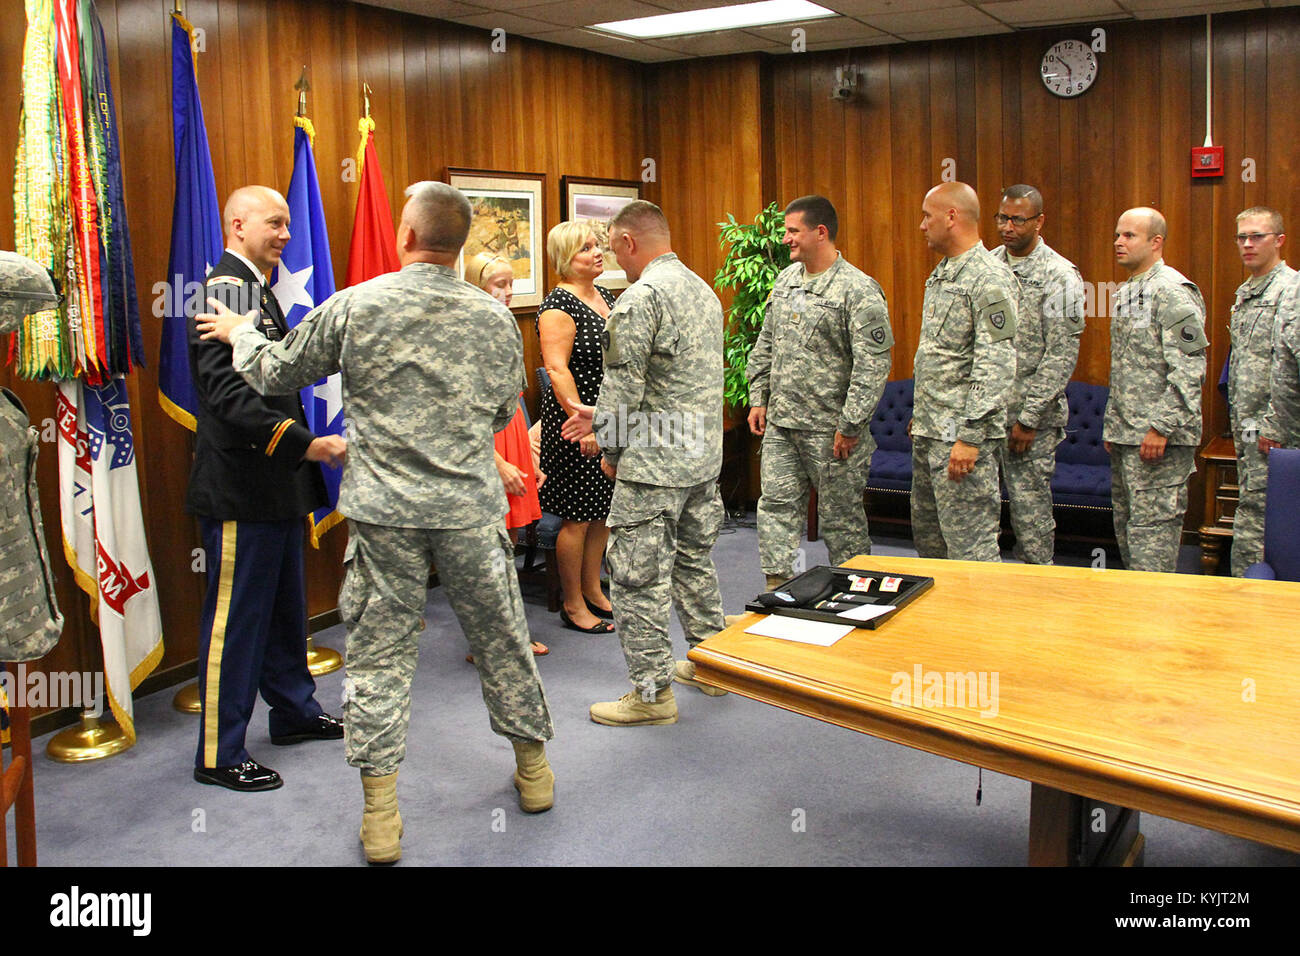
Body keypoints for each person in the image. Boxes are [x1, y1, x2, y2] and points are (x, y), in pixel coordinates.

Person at [196, 181, 555, 864]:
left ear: (407, 237)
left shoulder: (359, 304)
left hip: (384, 515)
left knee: (379, 661)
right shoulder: (493, 317)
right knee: (504, 640)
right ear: (459, 246)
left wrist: (243, 331)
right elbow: (502, 410)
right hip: (467, 511)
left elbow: (275, 374)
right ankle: (533, 772)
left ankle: (382, 814)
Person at [186, 186, 345, 794]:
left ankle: (295, 712)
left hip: (274, 486)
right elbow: (225, 399)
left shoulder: (253, 289)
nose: (284, 233)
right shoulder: (228, 290)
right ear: (236, 223)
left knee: (282, 611)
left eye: (286, 223)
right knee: (236, 620)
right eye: (272, 223)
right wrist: (304, 442)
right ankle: (219, 753)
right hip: (242, 489)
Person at [561, 200, 728, 725]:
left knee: (637, 579)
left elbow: (622, 390)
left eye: (613, 249)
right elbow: (678, 383)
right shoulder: (701, 290)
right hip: (701, 458)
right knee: (694, 563)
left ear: (630, 242)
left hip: (653, 467)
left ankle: (652, 696)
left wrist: (610, 449)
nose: (614, 262)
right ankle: (713, 665)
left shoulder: (641, 299)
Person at [746, 195, 893, 590]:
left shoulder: (858, 290)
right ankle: (778, 591)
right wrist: (758, 396)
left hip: (832, 434)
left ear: (820, 232)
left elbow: (873, 364)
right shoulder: (786, 280)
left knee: (842, 521)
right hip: (783, 425)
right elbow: (766, 342)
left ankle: (857, 597)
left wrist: (850, 424)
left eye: (793, 231)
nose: (786, 239)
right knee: (776, 510)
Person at [912, 181, 1019, 562]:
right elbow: (943, 357)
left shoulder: (989, 276)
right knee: (931, 545)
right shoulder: (943, 272)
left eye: (928, 216)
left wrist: (971, 436)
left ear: (951, 217)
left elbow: (996, 363)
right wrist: (920, 416)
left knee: (970, 552)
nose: (922, 225)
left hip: (961, 439)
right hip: (931, 433)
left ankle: (983, 622)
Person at [1104, 207, 1207, 573]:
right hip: (1130, 438)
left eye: (1129, 235)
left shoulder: (1172, 291)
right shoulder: (1129, 291)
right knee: (1132, 544)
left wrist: (1161, 426)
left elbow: (1191, 367)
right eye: (1118, 234)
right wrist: (1114, 426)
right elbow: (1130, 367)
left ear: (1156, 242)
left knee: (1152, 553)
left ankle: (1157, 627)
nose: (1118, 242)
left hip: (1159, 442)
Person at [990, 185, 1085, 565]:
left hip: (1031, 422)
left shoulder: (1060, 276)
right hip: (986, 416)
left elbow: (1061, 354)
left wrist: (1029, 418)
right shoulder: (988, 265)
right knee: (980, 516)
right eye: (1001, 218)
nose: (1007, 227)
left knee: (1030, 518)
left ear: (1039, 221)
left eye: (1017, 219)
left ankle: (1038, 592)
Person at [536, 222, 617, 634]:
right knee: (576, 517)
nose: (597, 252)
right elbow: (556, 369)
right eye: (586, 248)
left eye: (597, 245)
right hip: (575, 427)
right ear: (567, 259)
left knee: (602, 512)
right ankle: (572, 603)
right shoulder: (558, 307)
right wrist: (583, 425)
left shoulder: (604, 295)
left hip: (607, 419)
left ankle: (592, 589)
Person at [465, 253, 547, 656]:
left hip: (511, 434)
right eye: (498, 284)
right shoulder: (467, 334)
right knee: (490, 549)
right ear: (476, 285)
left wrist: (527, 459)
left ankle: (505, 632)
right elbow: (465, 415)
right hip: (487, 446)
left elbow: (514, 402)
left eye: (511, 283)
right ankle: (495, 639)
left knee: (508, 545)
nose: (508, 292)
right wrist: (498, 465)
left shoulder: (505, 326)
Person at [1223, 208, 1296, 575]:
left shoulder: (1291, 290)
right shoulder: (1248, 291)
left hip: (1275, 434)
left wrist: (1276, 425)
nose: (1247, 244)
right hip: (1248, 428)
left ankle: (1254, 599)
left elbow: (1289, 363)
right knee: (1251, 508)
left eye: (1257, 236)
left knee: (1264, 518)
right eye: (1241, 237)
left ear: (1279, 240)